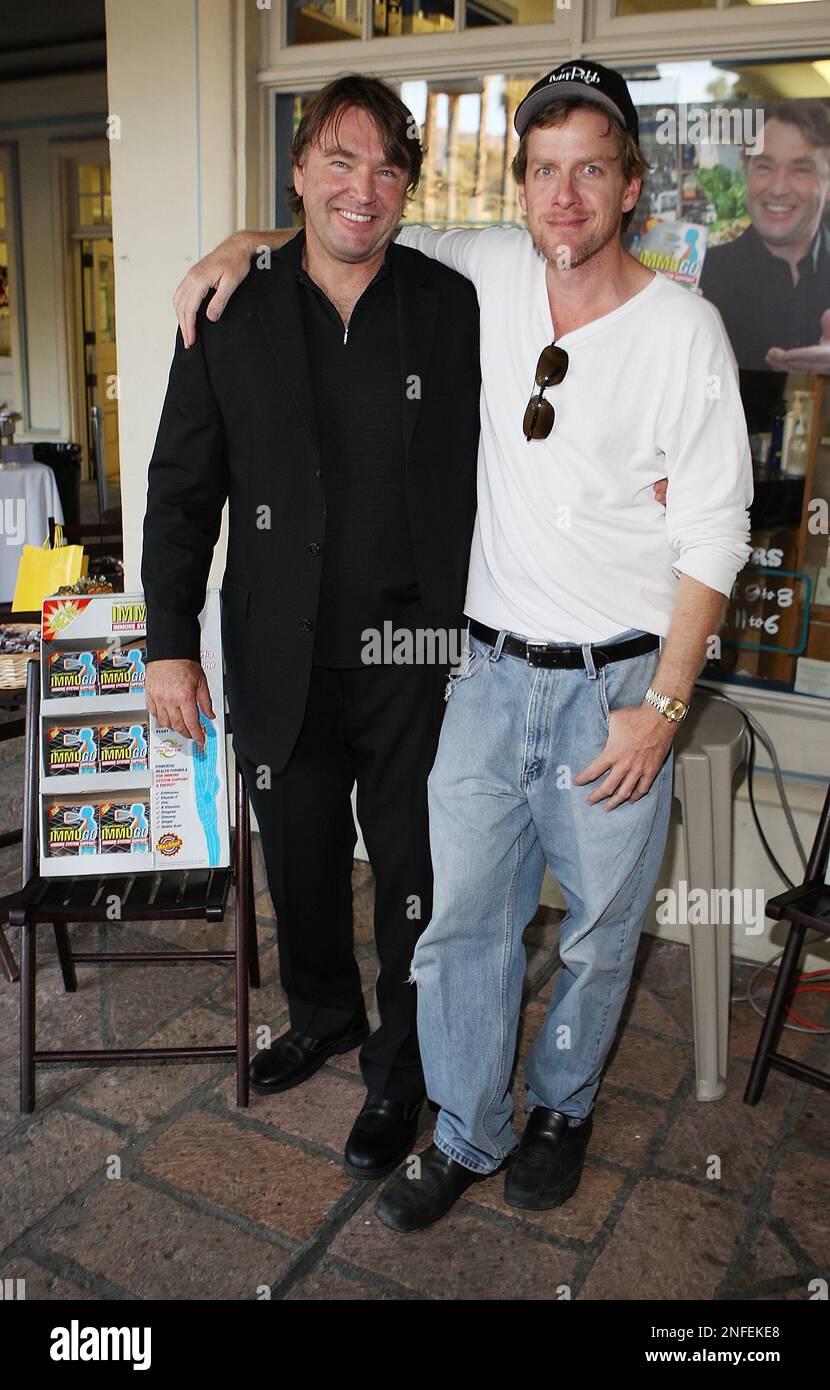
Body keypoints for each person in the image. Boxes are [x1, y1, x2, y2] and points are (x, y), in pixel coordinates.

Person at [172, 61, 753, 1232]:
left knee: (595, 935)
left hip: (616, 684)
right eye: (543, 170)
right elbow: (352, 216)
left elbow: (715, 524)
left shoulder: (684, 328)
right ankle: (469, 1125)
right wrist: (240, 241)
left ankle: (559, 1108)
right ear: (522, 187)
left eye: (590, 168)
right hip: (482, 673)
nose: (564, 193)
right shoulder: (481, 268)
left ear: (630, 187)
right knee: (461, 924)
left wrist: (666, 703)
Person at [142, 75, 481, 1182]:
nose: (363, 188)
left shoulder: (449, 300)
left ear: (406, 190)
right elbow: (180, 490)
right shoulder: (228, 308)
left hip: (411, 652)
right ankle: (323, 1012)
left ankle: (400, 1068)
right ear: (295, 172)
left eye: (386, 167)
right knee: (294, 860)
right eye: (338, 160)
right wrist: (169, 643)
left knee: (408, 868)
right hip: (277, 648)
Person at [699, 100, 830, 431]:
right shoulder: (703, 277)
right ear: (746, 171)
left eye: (800, 169)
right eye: (765, 166)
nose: (778, 187)